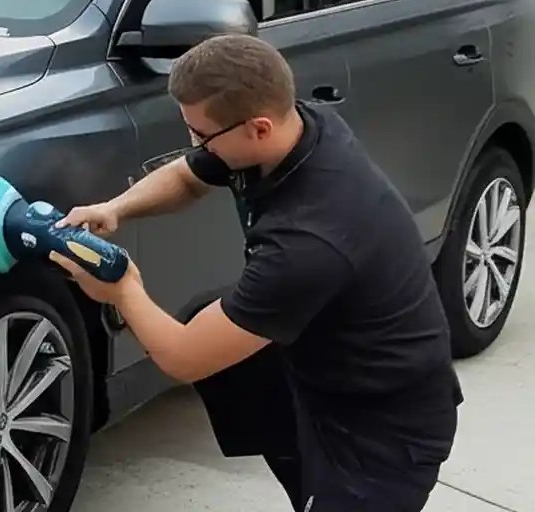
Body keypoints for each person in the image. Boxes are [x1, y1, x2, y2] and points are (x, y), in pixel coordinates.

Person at [48, 34, 463, 511]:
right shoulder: (299, 128)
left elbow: (184, 358)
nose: (194, 143)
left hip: (379, 436)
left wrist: (122, 289)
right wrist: (115, 209)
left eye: (202, 135)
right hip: (321, 382)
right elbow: (188, 175)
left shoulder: (309, 241)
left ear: (259, 128)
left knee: (204, 341)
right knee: (216, 325)